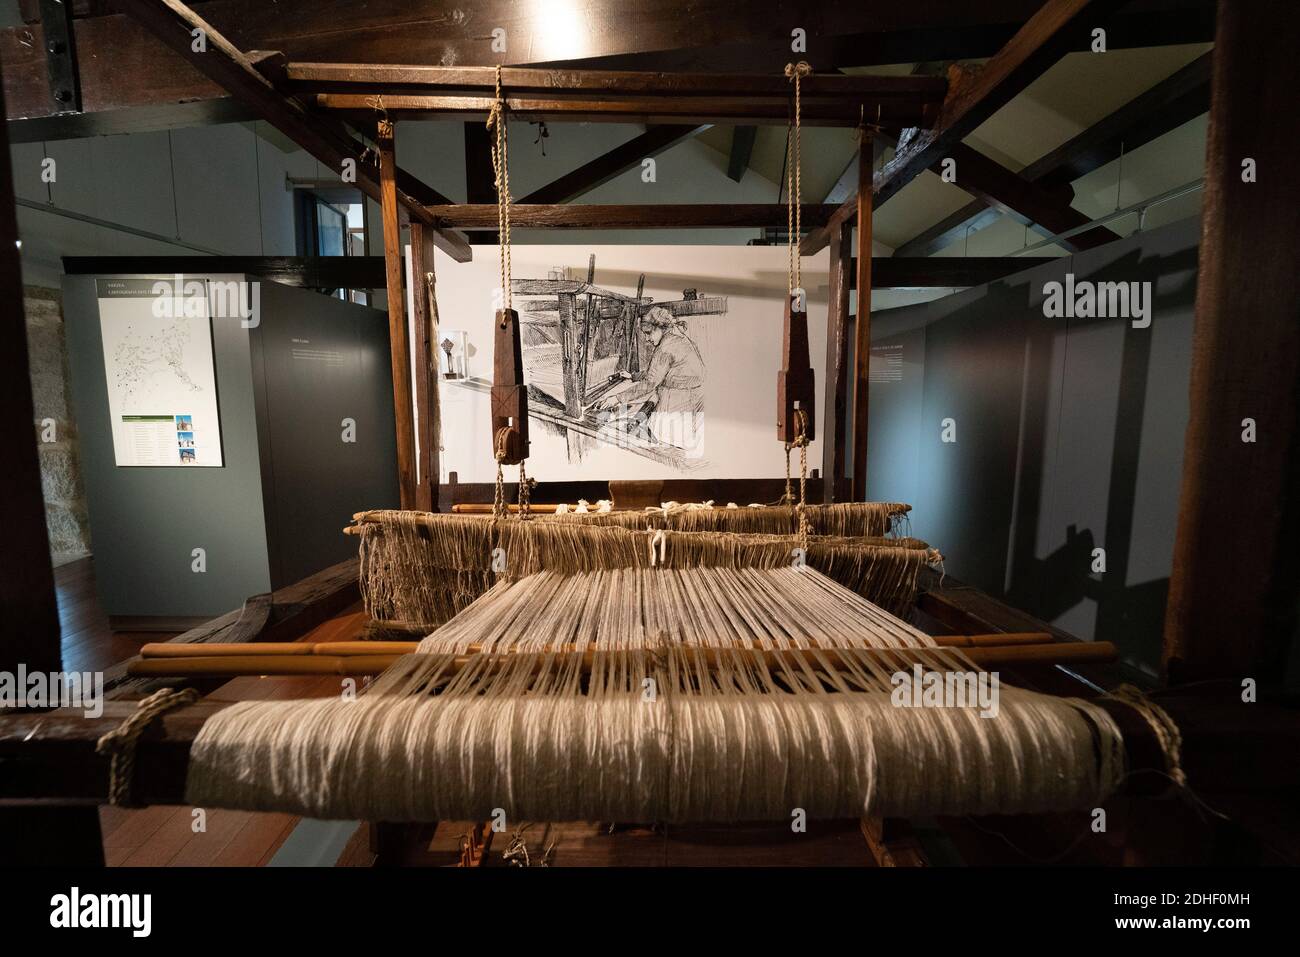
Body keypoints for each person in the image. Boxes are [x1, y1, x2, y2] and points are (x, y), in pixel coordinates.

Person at [597, 306, 704, 452]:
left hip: (680, 401)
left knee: (665, 445)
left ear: (660, 327)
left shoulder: (666, 348)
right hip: (691, 397)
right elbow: (659, 372)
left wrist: (617, 398)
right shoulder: (676, 337)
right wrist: (633, 376)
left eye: (648, 333)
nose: (647, 339)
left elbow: (649, 383)